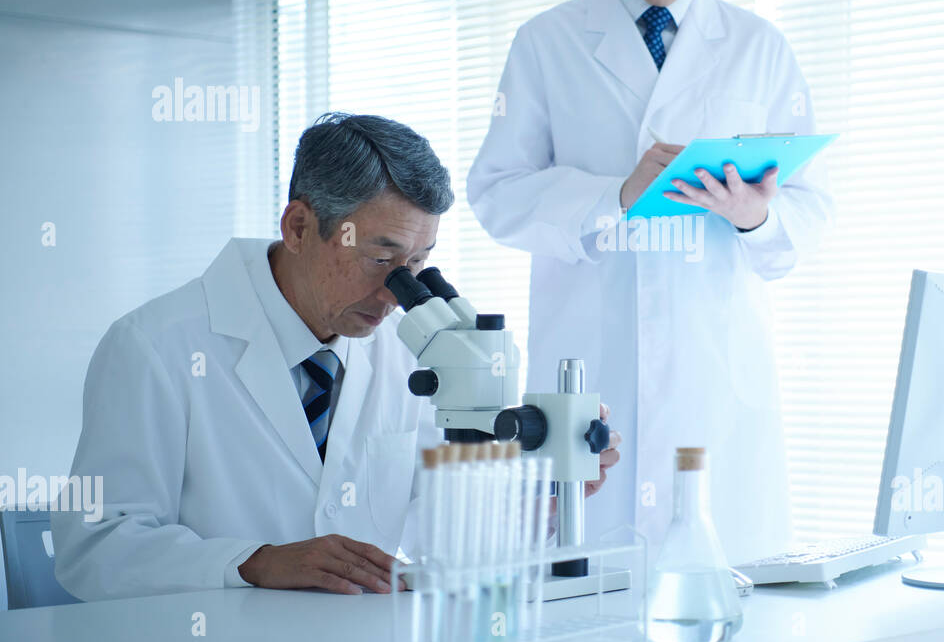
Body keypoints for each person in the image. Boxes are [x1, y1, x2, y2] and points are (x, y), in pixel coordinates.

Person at [53, 112, 621, 601]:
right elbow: (94, 548)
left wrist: (543, 505)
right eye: (381, 259)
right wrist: (255, 562)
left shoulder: (408, 361)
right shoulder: (156, 346)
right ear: (299, 226)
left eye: (419, 263)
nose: (397, 293)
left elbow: (436, 534)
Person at [466, 0, 832, 564]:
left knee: (726, 604)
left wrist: (756, 215)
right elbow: (497, 194)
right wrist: (614, 197)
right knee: (584, 608)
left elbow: (812, 207)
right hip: (589, 380)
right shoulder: (548, 43)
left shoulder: (759, 49)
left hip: (716, 388)